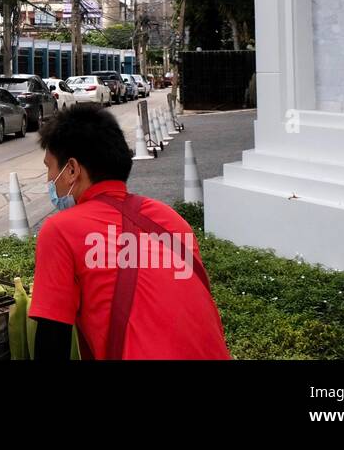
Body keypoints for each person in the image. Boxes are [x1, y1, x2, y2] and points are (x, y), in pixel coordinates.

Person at [29, 104, 230, 360]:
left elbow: (52, 341)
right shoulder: (172, 220)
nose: (49, 178)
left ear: (71, 170)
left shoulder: (62, 230)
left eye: (50, 167)